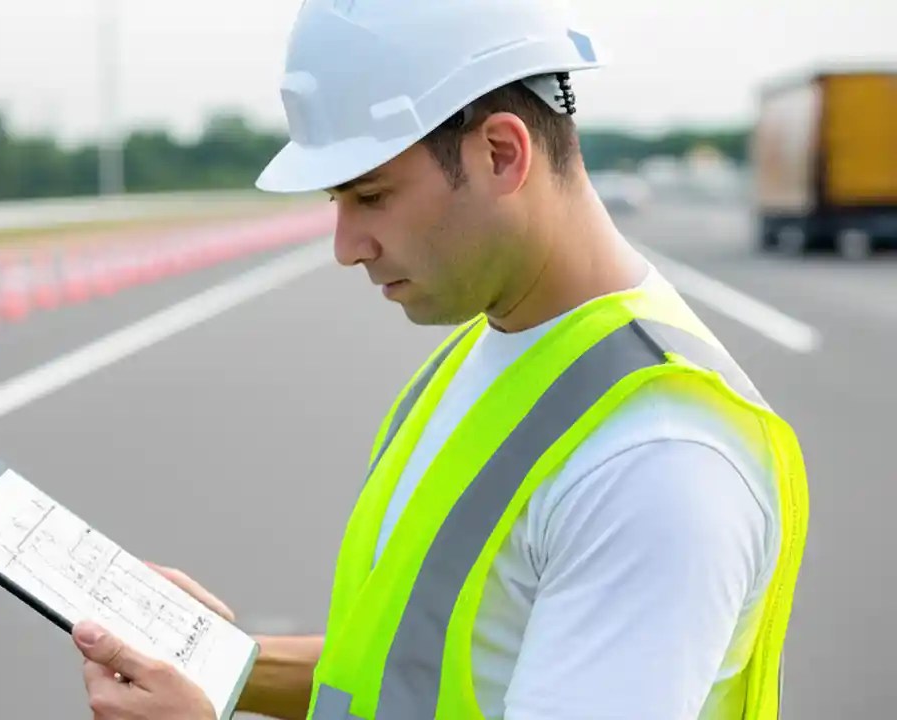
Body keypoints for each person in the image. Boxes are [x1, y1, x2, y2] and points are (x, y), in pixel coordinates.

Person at [70, 0, 811, 718]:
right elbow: (418, 671)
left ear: (501, 154)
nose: (346, 246)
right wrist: (217, 660)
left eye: (371, 195)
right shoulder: (503, 347)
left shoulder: (654, 460)